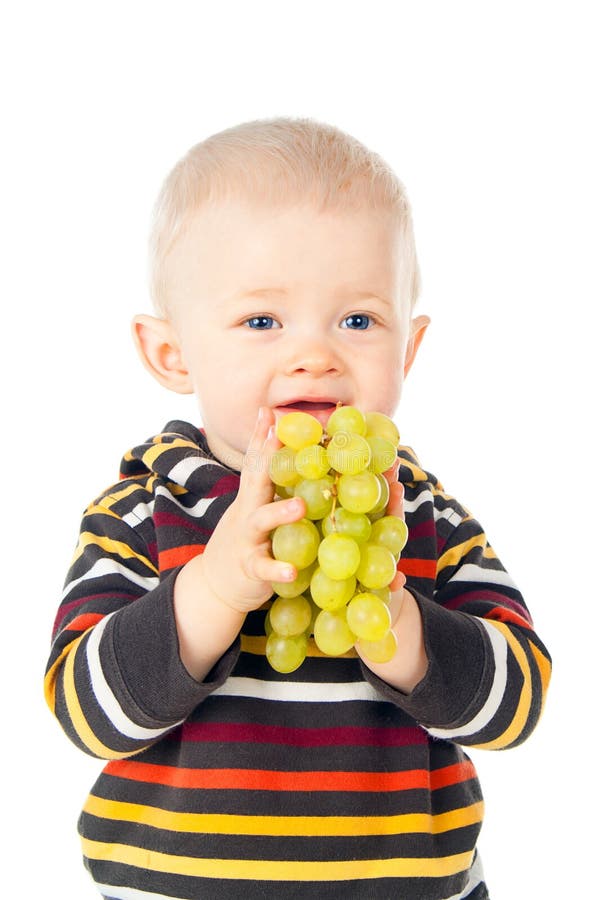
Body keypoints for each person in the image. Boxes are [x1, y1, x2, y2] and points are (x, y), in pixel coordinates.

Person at [44, 117, 551, 900]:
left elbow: (517, 704)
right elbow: (86, 710)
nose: (315, 353)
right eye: (261, 321)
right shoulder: (142, 509)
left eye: (358, 320)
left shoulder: (421, 515)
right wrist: (212, 590)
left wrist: (404, 632)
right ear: (170, 353)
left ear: (408, 351)